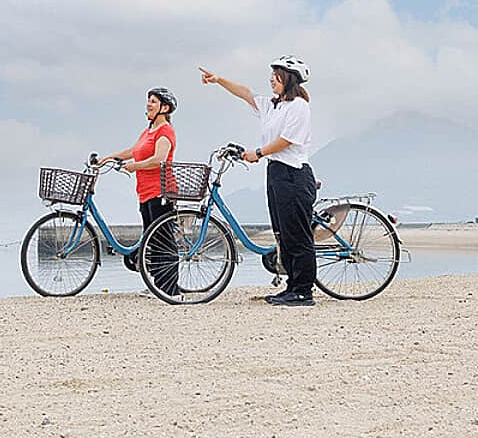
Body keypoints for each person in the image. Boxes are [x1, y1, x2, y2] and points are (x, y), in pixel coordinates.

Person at [199, 57, 316, 306]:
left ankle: (304, 291)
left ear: (289, 78)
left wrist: (259, 152)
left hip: (293, 174)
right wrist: (218, 80)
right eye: (272, 74)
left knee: (297, 234)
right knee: (283, 233)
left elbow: (287, 140)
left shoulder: (299, 106)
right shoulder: (274, 105)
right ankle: (291, 286)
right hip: (276, 173)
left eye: (277, 74)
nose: (271, 78)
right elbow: (246, 94)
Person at [97, 87, 180, 297]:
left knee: (164, 239)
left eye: (153, 101)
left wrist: (135, 166)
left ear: (165, 107)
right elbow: (132, 151)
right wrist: (107, 159)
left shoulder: (165, 131)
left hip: (161, 191)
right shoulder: (148, 132)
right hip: (145, 191)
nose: (148, 105)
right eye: (148, 101)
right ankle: (157, 286)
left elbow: (159, 159)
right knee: (153, 239)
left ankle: (170, 289)